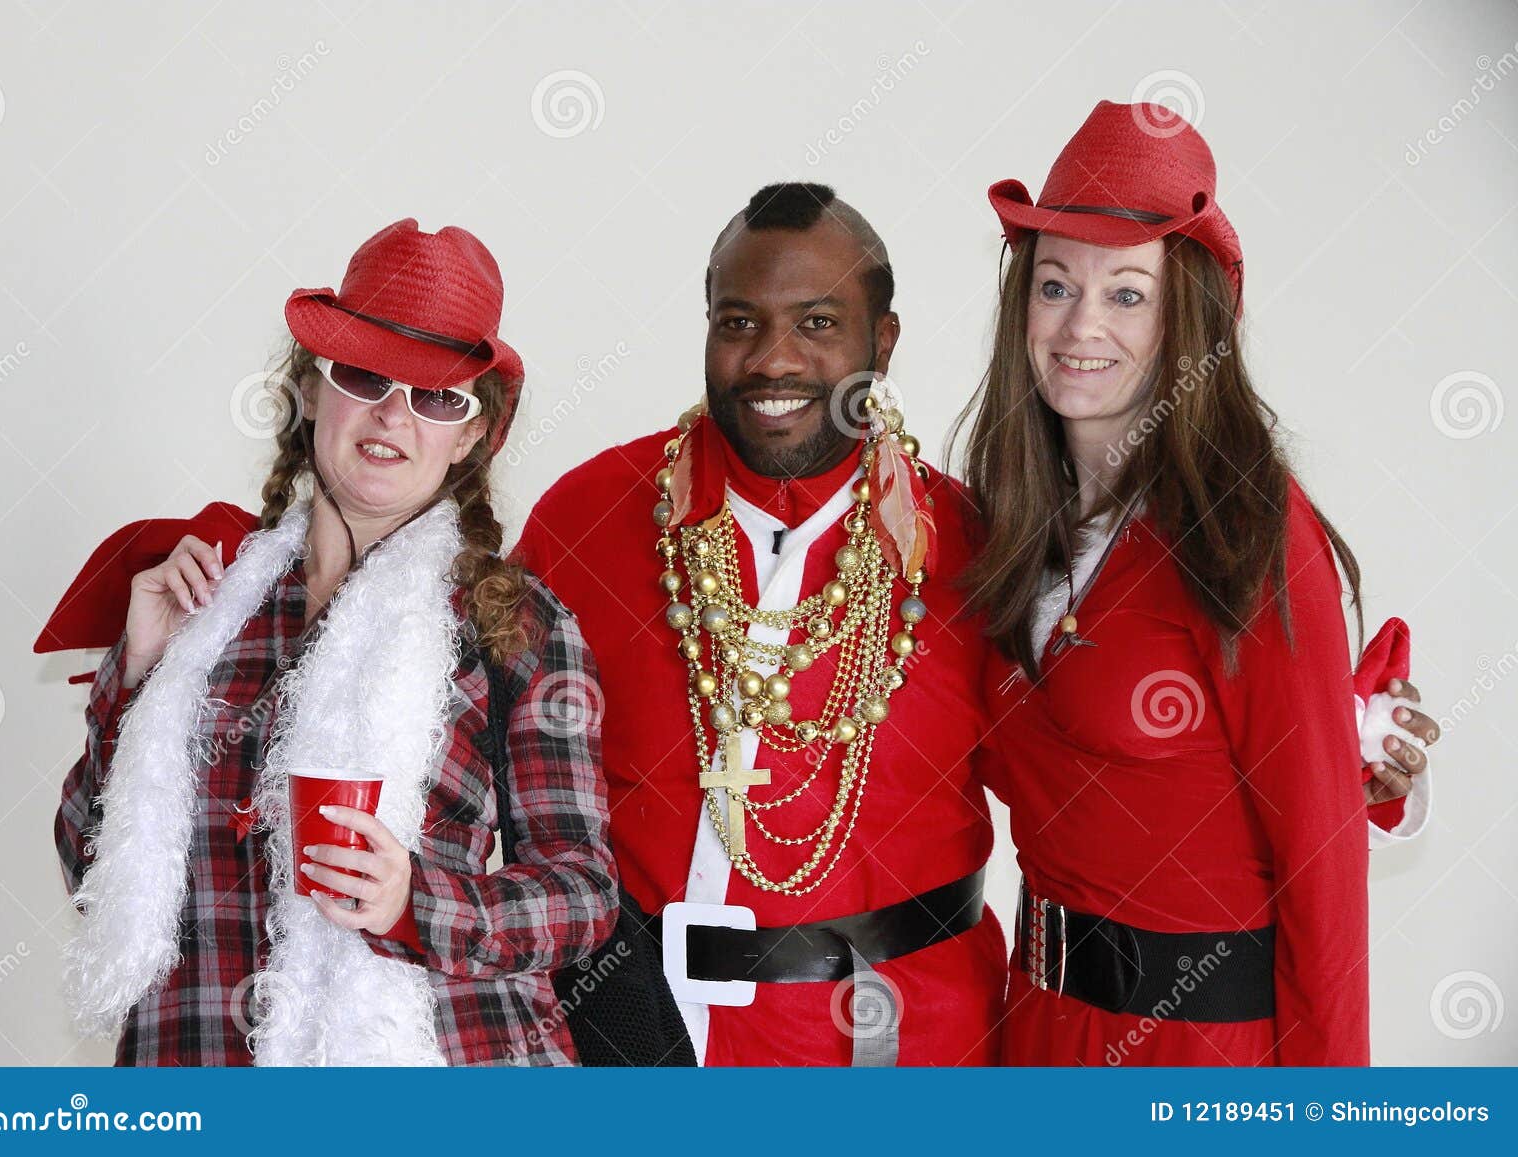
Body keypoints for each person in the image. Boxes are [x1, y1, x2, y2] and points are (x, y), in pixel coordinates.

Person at [510, 182, 1436, 1065]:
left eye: (819, 325)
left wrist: (1330, 769)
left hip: (895, 1056)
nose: (774, 360)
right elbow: (475, 751)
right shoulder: (587, 514)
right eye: (738, 322)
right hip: (625, 1042)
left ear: (886, 338)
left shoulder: (969, 548)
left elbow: (1088, 788)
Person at [44, 219, 618, 1065]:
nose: (393, 413)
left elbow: (584, 893)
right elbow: (90, 865)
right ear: (312, 389)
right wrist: (135, 673)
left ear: (468, 435)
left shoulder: (513, 623)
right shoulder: (210, 597)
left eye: (437, 396)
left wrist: (413, 903)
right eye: (365, 374)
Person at [959, 101, 1433, 1065]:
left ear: (1192, 316)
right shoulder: (1003, 520)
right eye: (1055, 285)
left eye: (1127, 293)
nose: (1081, 324)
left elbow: (1321, 873)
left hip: (1201, 1055)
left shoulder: (1250, 531)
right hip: (1033, 1032)